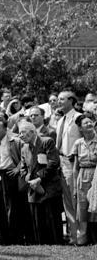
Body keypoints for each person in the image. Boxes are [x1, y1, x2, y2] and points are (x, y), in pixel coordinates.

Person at [17, 120, 63, 244]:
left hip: (49, 185)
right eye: (19, 133)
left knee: (52, 218)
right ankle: (41, 243)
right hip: (33, 187)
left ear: (32, 132)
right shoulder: (24, 147)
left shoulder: (46, 142)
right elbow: (23, 167)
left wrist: (38, 178)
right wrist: (27, 178)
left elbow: (53, 163)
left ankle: (56, 243)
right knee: (37, 219)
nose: (20, 135)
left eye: (23, 132)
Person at [0, 114, 29, 245]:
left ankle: (14, 237)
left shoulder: (15, 141)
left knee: (12, 206)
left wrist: (18, 168)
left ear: (5, 129)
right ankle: (1, 238)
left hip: (10, 175)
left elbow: (27, 156)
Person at [57, 90, 82, 241]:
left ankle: (81, 234)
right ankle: (73, 235)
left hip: (74, 163)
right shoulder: (61, 120)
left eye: (62, 99)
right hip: (61, 162)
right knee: (67, 201)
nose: (59, 102)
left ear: (71, 100)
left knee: (75, 198)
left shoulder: (79, 118)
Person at [72, 111, 97, 245]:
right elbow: (75, 167)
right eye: (85, 123)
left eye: (90, 121)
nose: (88, 124)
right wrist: (75, 186)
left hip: (96, 173)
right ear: (80, 128)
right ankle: (82, 238)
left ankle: (94, 238)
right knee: (82, 207)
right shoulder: (78, 143)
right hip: (83, 175)